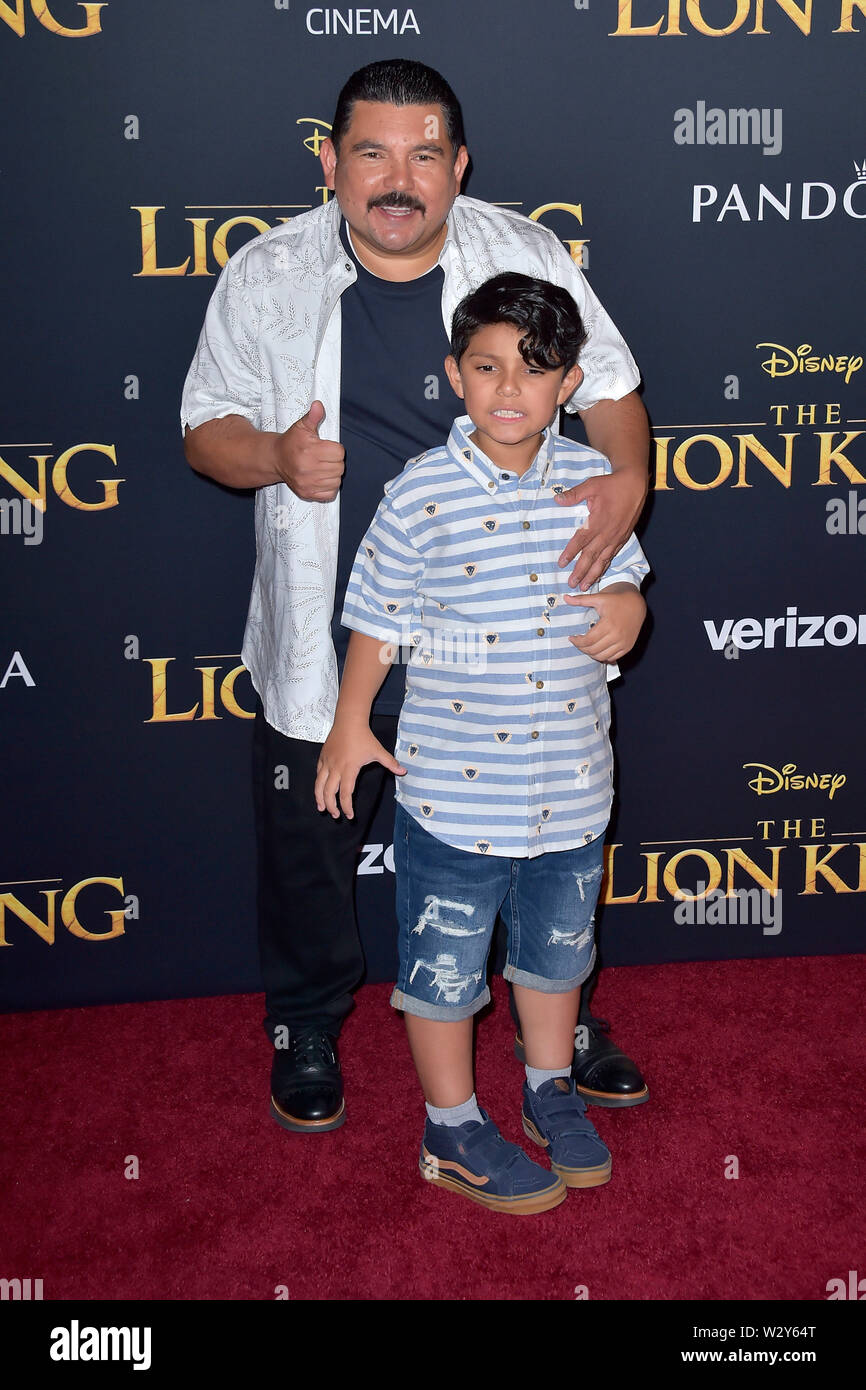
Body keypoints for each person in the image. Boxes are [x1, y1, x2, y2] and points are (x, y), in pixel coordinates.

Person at [181, 58, 650, 1135]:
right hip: (341, 629)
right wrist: (275, 457)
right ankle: (303, 1018)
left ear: (457, 164)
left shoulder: (522, 252)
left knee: (543, 837)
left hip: (511, 635)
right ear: (329, 162)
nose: (399, 179)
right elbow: (203, 430)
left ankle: (561, 1019)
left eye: (424, 154)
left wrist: (624, 484)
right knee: (311, 844)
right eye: (372, 153)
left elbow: (612, 389)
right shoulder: (265, 275)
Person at [314, 273, 649, 1210]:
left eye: (534, 371)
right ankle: (451, 1123)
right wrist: (347, 724)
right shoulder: (421, 493)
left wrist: (627, 606)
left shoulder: (597, 484)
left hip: (573, 790)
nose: (510, 389)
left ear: (569, 385)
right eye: (488, 367)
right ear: (454, 375)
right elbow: (377, 621)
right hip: (455, 800)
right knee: (444, 971)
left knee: (554, 958)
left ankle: (549, 1088)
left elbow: (623, 583)